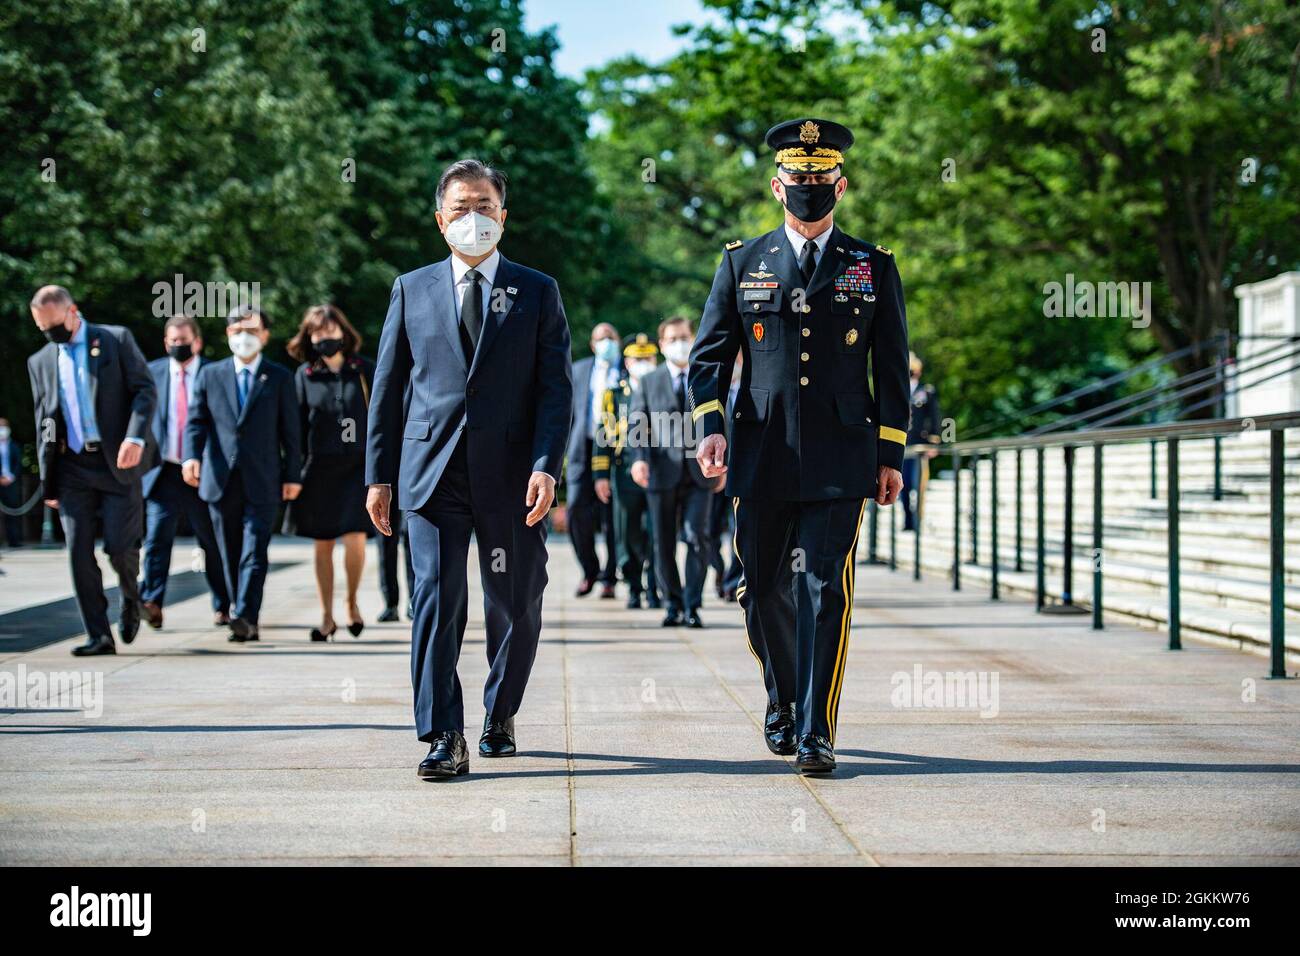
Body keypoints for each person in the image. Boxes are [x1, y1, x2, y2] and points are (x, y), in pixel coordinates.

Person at [689, 118, 910, 775]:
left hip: (843, 459)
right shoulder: (741, 261)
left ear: (840, 185)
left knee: (823, 589)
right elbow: (708, 360)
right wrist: (711, 427)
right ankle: (782, 698)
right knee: (760, 591)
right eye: (797, 180)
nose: (809, 190)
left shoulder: (872, 267)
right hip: (760, 455)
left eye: (821, 180)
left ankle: (816, 729)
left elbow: (892, 370)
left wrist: (891, 455)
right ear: (776, 186)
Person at [365, 159, 572, 780]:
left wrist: (546, 465)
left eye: (484, 206)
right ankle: (443, 733)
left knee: (515, 598)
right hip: (431, 473)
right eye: (461, 207)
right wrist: (378, 475)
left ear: (503, 218)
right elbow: (387, 385)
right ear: (440, 219)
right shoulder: (412, 287)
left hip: (513, 476)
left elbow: (554, 390)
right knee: (435, 599)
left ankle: (500, 710)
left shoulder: (538, 290)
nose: (473, 217)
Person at [26, 285, 157, 656]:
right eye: (42, 328)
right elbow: (43, 425)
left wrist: (136, 437)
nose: (51, 334)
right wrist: (47, 481)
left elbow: (145, 390)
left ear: (73, 312)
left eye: (54, 325)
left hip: (118, 460)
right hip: (72, 469)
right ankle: (98, 635)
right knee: (78, 552)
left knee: (119, 548)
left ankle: (132, 597)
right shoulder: (40, 361)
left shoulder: (115, 340)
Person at [182, 306, 302, 643]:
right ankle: (237, 607)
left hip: (263, 479)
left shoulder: (279, 378)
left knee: (254, 549)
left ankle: (246, 615)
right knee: (227, 550)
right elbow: (196, 421)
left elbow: (291, 432)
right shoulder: (210, 375)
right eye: (237, 330)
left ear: (265, 335)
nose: (244, 337)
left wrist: (293, 475)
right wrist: (191, 457)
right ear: (227, 335)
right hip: (219, 479)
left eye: (251, 330)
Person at [283, 305, 375, 641]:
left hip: (357, 466)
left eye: (330, 330)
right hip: (318, 467)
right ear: (309, 337)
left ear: (343, 332)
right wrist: (291, 474)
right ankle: (326, 617)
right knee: (322, 543)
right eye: (317, 333)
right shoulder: (305, 375)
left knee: (355, 537)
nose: (325, 337)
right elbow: (293, 429)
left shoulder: (364, 370)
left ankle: (351, 603)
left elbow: (381, 421)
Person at [139, 315, 232, 629]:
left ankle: (223, 604)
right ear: (166, 342)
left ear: (198, 341)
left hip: (203, 472)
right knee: (156, 537)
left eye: (184, 340)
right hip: (163, 470)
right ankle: (151, 601)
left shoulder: (215, 373)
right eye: (173, 341)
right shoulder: (151, 374)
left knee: (211, 540)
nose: (178, 346)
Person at [631, 317, 718, 628]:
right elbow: (637, 421)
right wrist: (638, 459)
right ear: (662, 344)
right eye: (673, 338)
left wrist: (724, 461)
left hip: (700, 472)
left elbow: (720, 421)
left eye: (685, 336)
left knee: (698, 538)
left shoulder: (705, 376)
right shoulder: (649, 381)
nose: (680, 342)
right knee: (663, 542)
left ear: (693, 338)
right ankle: (673, 604)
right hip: (660, 471)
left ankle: (693, 605)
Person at [591, 334, 658, 609]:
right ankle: (633, 585)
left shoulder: (662, 388)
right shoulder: (614, 394)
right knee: (627, 531)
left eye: (648, 359)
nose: (642, 364)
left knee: (655, 532)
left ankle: (655, 587)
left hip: (659, 472)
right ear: (627, 362)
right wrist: (601, 476)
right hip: (624, 470)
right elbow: (603, 436)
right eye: (637, 359)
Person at [566, 323, 622, 598]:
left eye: (610, 337)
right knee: (576, 510)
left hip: (616, 450)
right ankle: (590, 569)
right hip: (582, 448)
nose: (606, 343)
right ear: (592, 344)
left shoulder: (626, 370)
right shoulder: (578, 370)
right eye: (600, 338)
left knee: (613, 517)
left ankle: (610, 577)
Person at [902, 352, 942, 532]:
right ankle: (908, 520)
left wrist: (934, 442)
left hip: (919, 446)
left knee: (919, 485)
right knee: (903, 486)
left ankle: (918, 520)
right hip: (903, 446)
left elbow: (935, 417)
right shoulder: (900, 390)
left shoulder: (926, 391)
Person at [0, 418, 24, 547]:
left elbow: (18, 463)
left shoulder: (14, 445)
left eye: (4, 426)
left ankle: (14, 540)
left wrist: (11, 477)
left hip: (11, 482)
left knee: (13, 512)